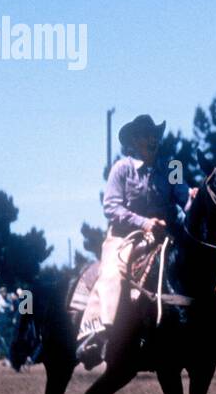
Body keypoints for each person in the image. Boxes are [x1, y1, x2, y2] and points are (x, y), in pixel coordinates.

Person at [78, 114, 193, 368]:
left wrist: (194, 199)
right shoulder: (122, 168)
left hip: (166, 236)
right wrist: (144, 223)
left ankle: (211, 329)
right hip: (125, 237)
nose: (151, 140)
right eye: (144, 136)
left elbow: (183, 197)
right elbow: (111, 207)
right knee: (113, 273)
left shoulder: (171, 167)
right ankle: (99, 334)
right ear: (134, 141)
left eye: (153, 135)